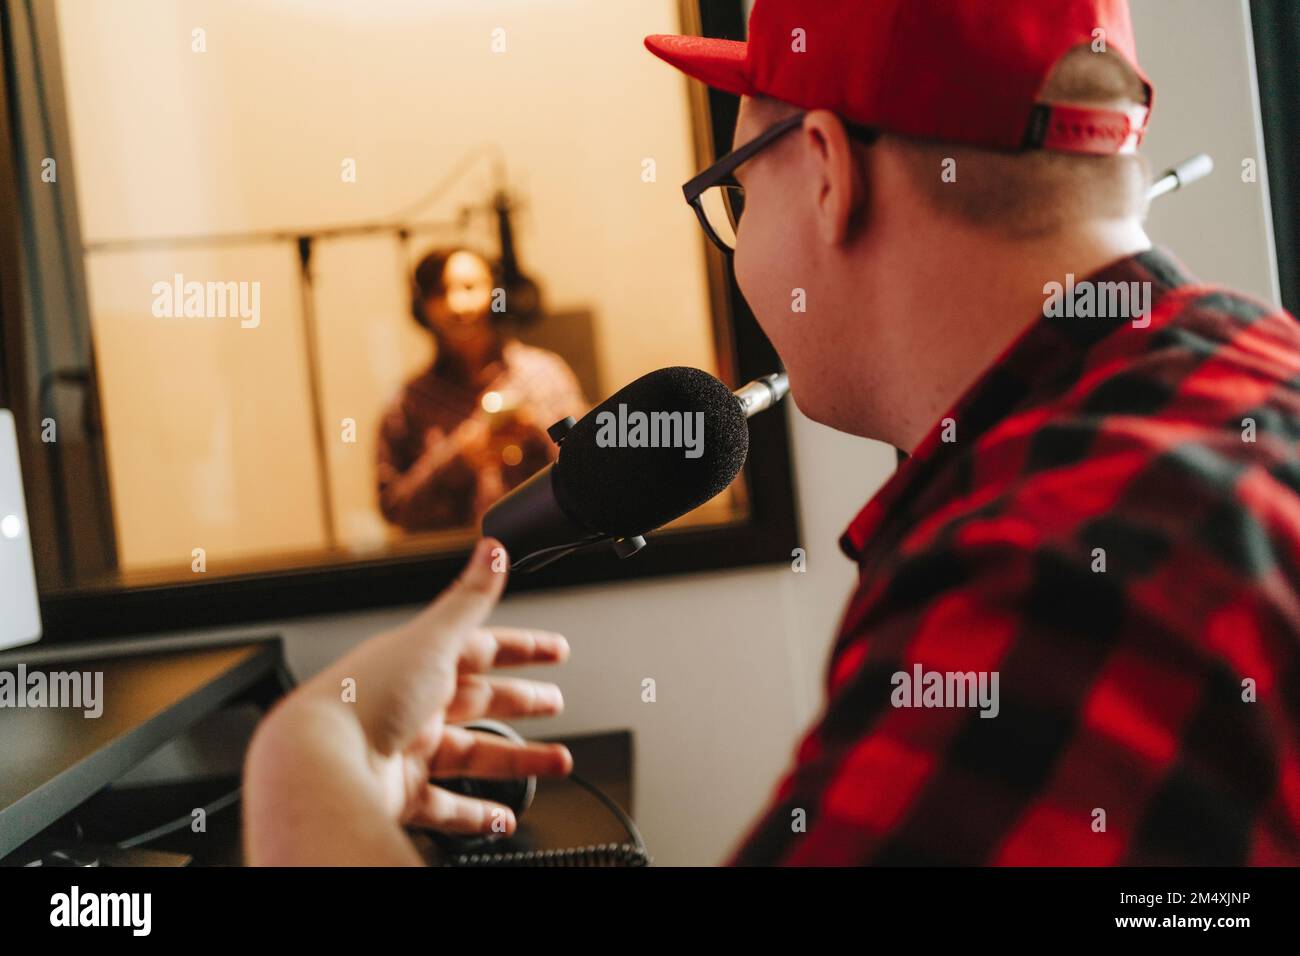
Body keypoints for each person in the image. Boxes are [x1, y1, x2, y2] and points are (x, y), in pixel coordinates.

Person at [244, 0, 1300, 865]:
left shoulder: (1049, 570)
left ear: (830, 171)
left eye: (733, 194)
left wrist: (306, 760)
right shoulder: (1255, 371)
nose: (738, 247)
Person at [376, 247, 587, 532]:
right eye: (440, 291)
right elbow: (394, 508)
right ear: (423, 304)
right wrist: (457, 459)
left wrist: (533, 432)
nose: (457, 304)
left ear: (495, 293)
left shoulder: (545, 375)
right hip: (456, 564)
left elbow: (589, 468)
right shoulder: (409, 402)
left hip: (551, 550)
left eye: (470, 287)